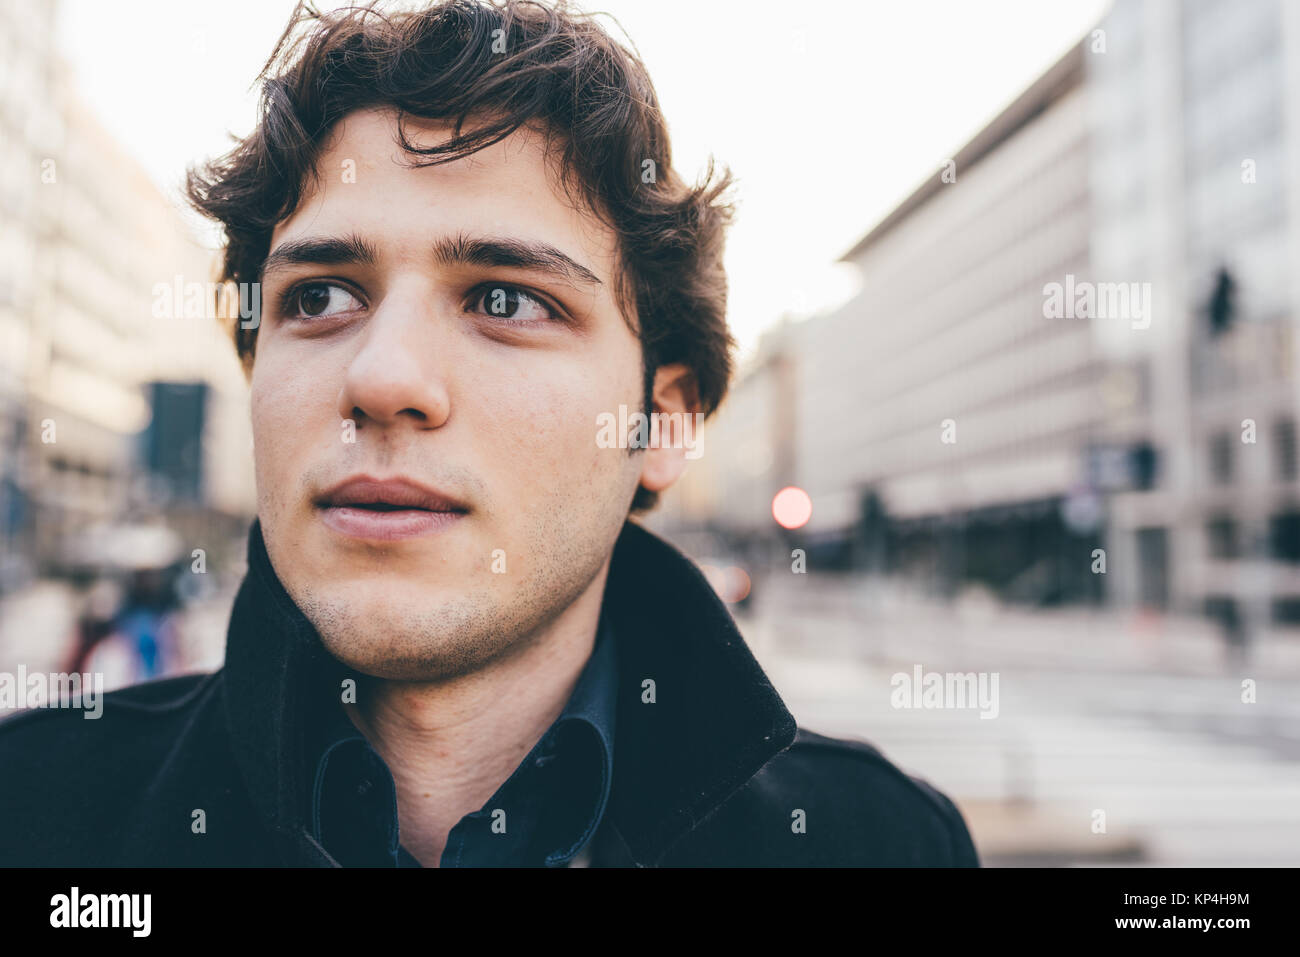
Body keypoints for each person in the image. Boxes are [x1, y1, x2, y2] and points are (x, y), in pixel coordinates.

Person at [0, 0, 978, 867]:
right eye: (323, 296)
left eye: (505, 299)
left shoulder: (881, 844)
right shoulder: (31, 812)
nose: (383, 377)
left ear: (663, 418)